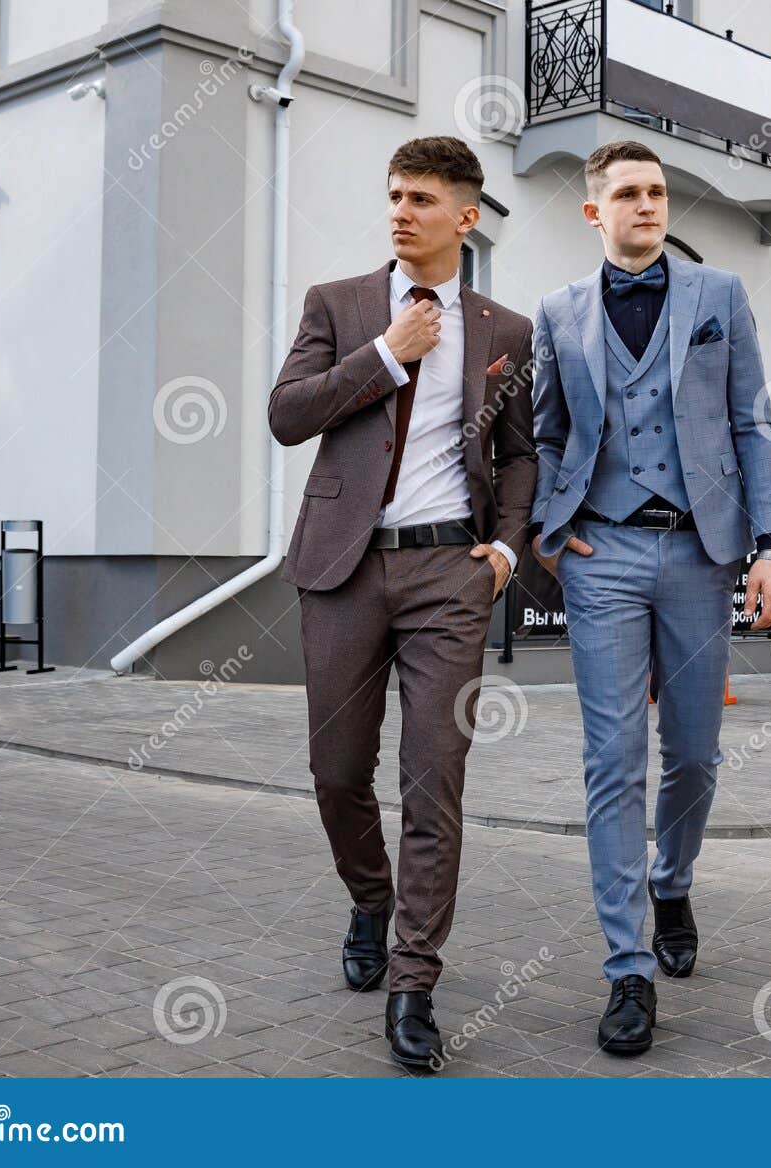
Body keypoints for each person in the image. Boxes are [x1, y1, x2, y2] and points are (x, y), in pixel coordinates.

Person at [268, 136, 535, 1070]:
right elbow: (287, 415)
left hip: (448, 576)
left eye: (421, 199)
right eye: (394, 195)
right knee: (337, 771)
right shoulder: (338, 305)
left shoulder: (506, 331)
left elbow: (521, 453)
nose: (401, 212)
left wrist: (506, 548)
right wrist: (387, 354)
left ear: (466, 217)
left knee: (434, 777)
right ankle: (370, 900)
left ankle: (414, 980)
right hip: (343, 568)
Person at [529, 141, 771, 1055]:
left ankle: (671, 879)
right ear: (594, 212)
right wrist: (549, 530)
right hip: (600, 552)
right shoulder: (558, 312)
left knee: (695, 753)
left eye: (658, 192)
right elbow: (547, 434)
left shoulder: (720, 295)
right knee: (612, 759)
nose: (648, 205)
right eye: (629, 194)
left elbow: (753, 423)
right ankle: (627, 969)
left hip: (697, 552)